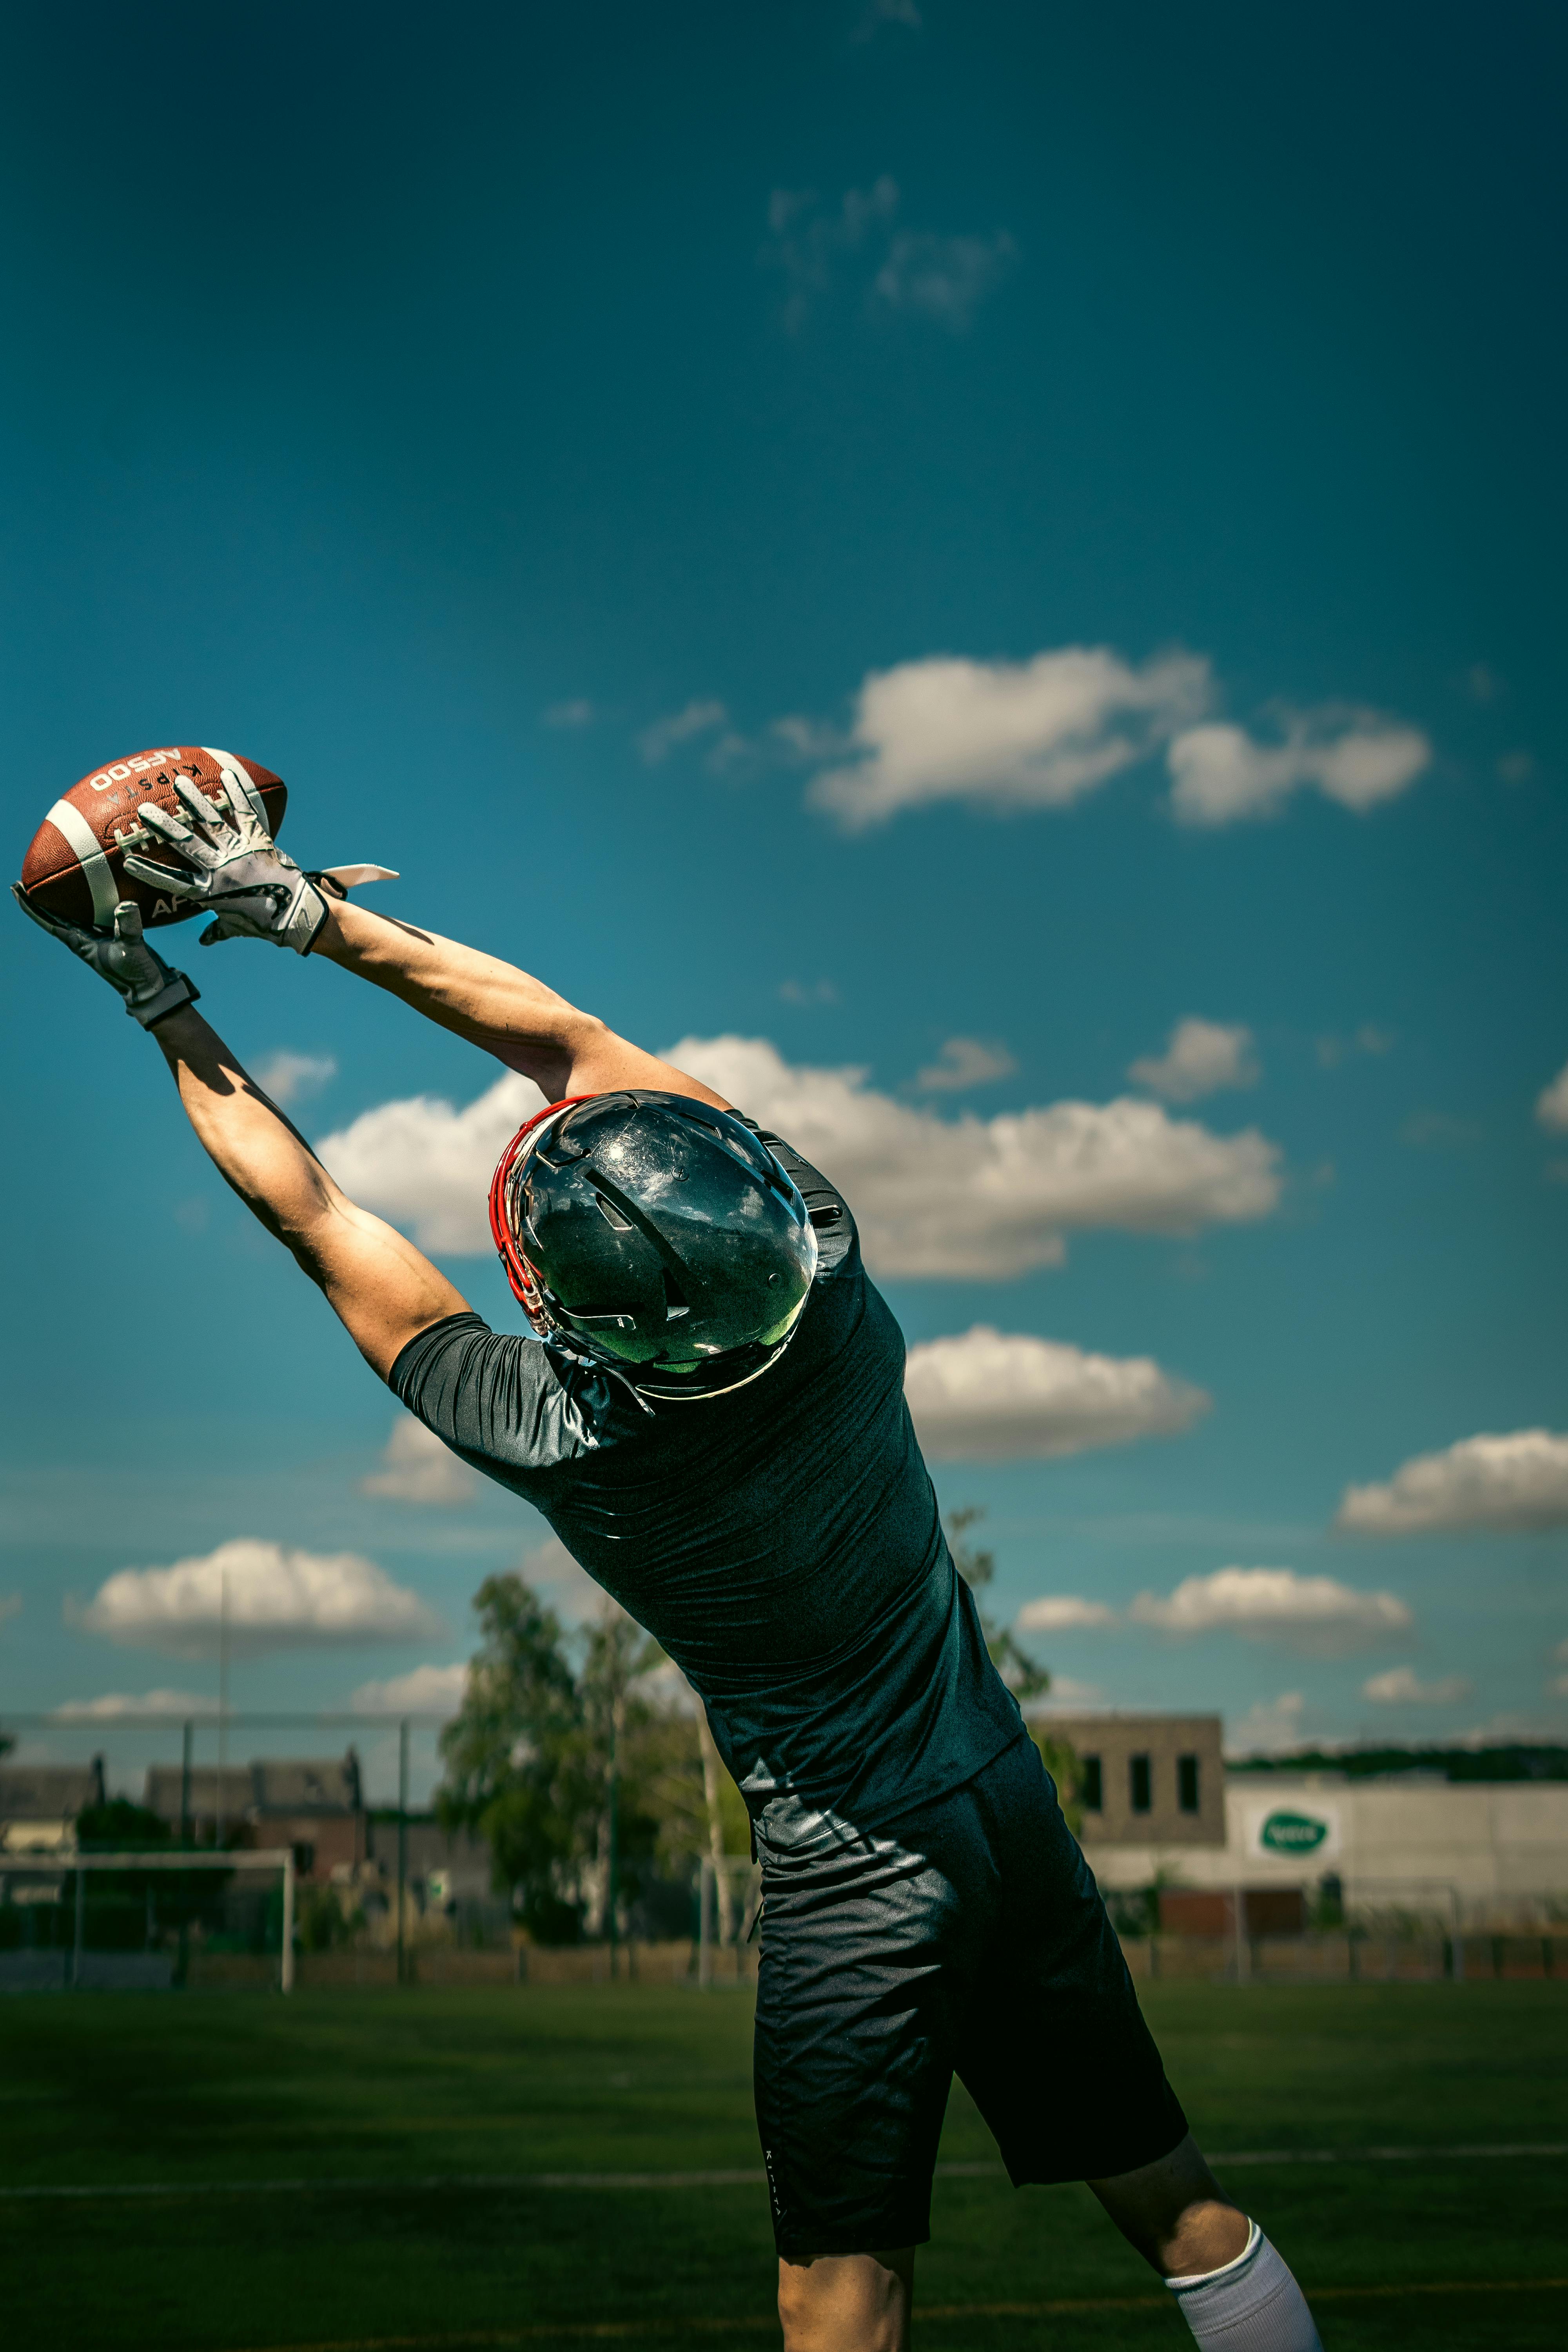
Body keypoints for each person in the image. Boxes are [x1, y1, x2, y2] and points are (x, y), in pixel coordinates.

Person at [15, 771, 1323, 2352]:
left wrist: (156, 992)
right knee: (1178, 2207)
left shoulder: (563, 1434)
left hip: (856, 1876)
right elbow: (558, 1042)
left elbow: (314, 1212)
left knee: (837, 2298)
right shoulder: (825, 1269)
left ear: (565, 1317)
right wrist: (309, 913)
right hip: (1004, 1805)